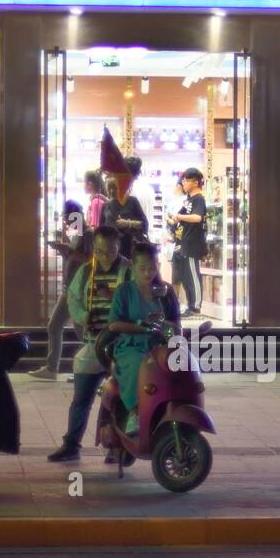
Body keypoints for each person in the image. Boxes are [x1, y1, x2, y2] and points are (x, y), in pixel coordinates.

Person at [47, 224, 133, 463]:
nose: (104, 256)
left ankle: (117, 446)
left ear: (118, 247)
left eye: (109, 251)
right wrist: (83, 316)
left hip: (124, 346)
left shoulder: (129, 272)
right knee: (81, 397)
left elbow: (138, 303)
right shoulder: (86, 271)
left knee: (119, 397)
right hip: (95, 343)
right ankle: (71, 443)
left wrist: (114, 299)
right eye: (99, 251)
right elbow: (73, 299)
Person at [107, 241, 181, 435]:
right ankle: (135, 412)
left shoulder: (166, 292)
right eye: (143, 269)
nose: (148, 273)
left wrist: (169, 329)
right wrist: (142, 327)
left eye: (153, 267)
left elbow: (176, 324)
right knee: (140, 365)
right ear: (133, 267)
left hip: (159, 346)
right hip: (131, 346)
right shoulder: (124, 291)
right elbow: (114, 324)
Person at [30, 199, 92, 381]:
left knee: (72, 329)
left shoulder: (87, 234)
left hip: (77, 289)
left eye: (68, 218)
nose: (66, 222)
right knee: (62, 327)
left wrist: (67, 250)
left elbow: (89, 259)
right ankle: (58, 367)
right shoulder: (80, 234)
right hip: (72, 288)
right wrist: (66, 250)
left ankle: (79, 368)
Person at [168, 167, 208, 317]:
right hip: (183, 243)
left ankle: (196, 306)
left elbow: (198, 217)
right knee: (185, 276)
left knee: (193, 275)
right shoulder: (189, 200)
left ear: (195, 182)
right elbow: (179, 218)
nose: (183, 183)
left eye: (186, 180)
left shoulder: (199, 199)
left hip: (192, 244)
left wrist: (180, 217)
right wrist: (174, 219)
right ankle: (190, 305)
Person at [103, 155, 147, 260]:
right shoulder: (142, 190)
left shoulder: (134, 195)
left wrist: (128, 223)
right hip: (115, 250)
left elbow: (144, 224)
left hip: (130, 248)